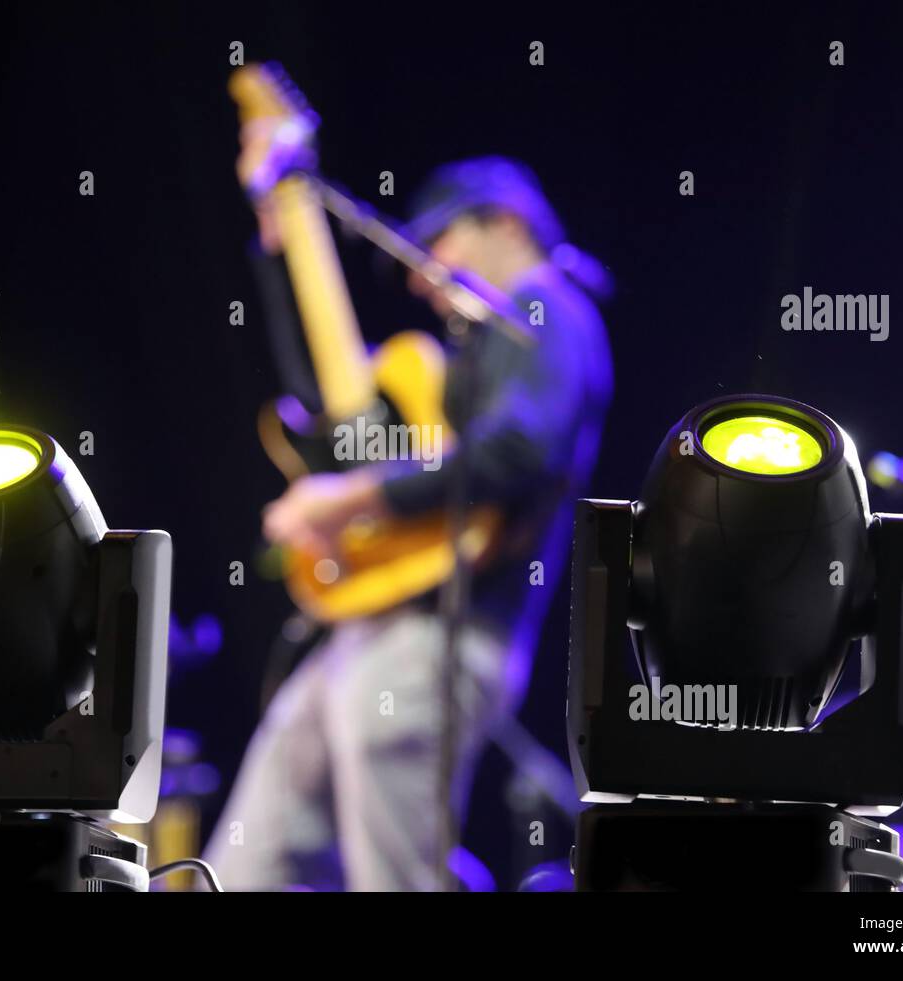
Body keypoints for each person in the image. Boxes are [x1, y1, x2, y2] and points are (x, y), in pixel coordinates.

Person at [204, 151, 613, 891]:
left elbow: (516, 450)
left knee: (394, 874)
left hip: (447, 633)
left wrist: (351, 501)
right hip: (371, 630)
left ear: (508, 222)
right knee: (255, 854)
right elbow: (338, 417)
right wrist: (280, 249)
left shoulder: (549, 310)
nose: (426, 274)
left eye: (442, 243)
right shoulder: (467, 354)